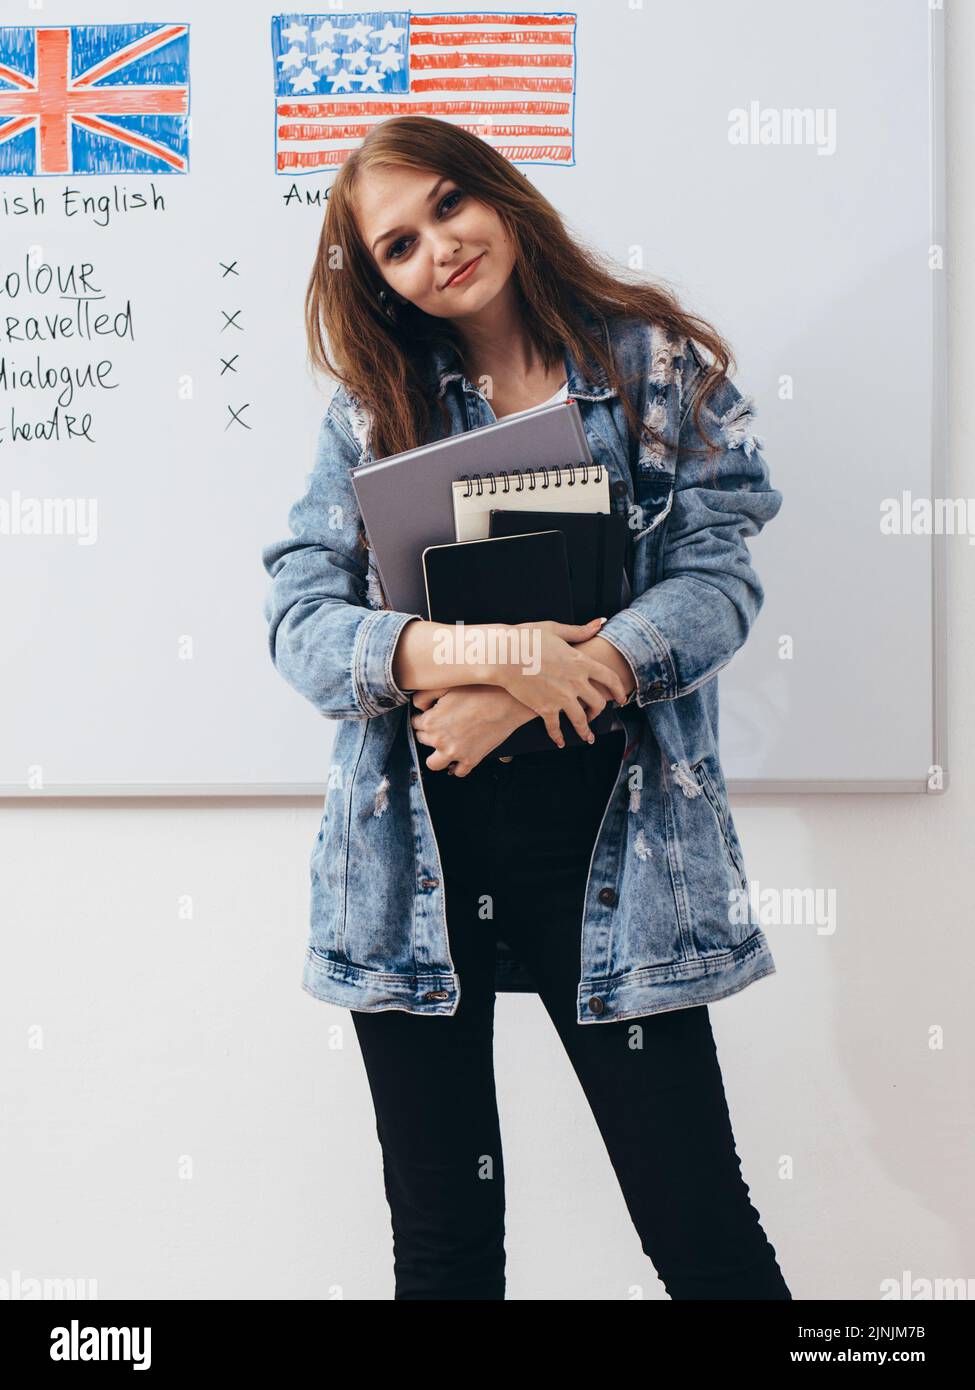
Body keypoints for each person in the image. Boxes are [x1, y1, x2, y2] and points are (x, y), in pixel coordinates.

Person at [261, 115, 790, 1300]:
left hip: (619, 854)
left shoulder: (651, 365)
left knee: (701, 1229)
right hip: (414, 864)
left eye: (450, 205)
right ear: (380, 279)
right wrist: (490, 651)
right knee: (446, 1254)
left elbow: (717, 581)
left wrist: (534, 692)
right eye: (397, 245)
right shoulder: (369, 410)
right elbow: (301, 622)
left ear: (499, 194)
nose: (437, 249)